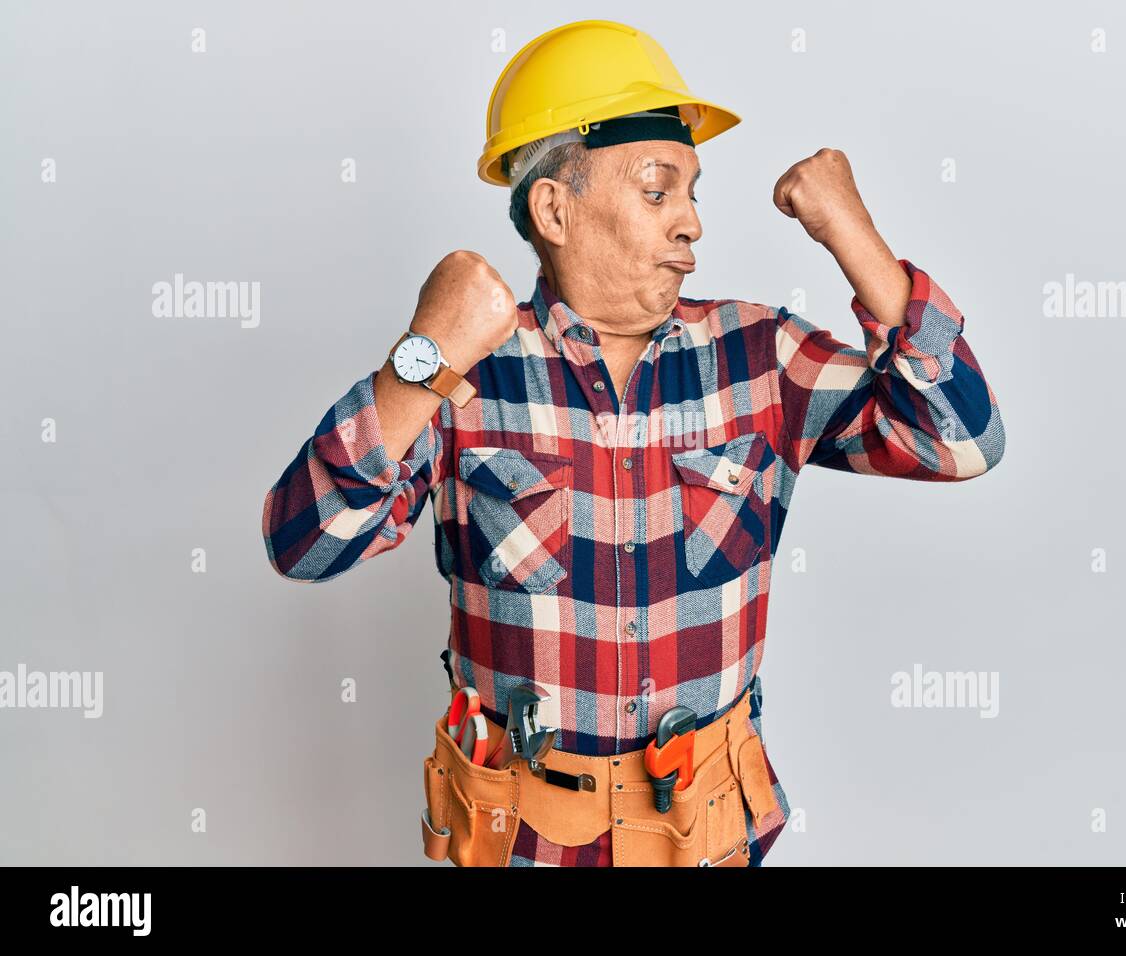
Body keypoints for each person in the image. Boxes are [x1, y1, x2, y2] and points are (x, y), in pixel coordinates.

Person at [261, 19, 1005, 866]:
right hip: (525, 842)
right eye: (659, 190)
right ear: (554, 208)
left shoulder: (760, 358)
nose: (692, 222)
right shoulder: (461, 379)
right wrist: (418, 363)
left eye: (693, 191)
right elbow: (302, 546)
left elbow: (963, 440)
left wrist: (853, 237)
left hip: (707, 834)